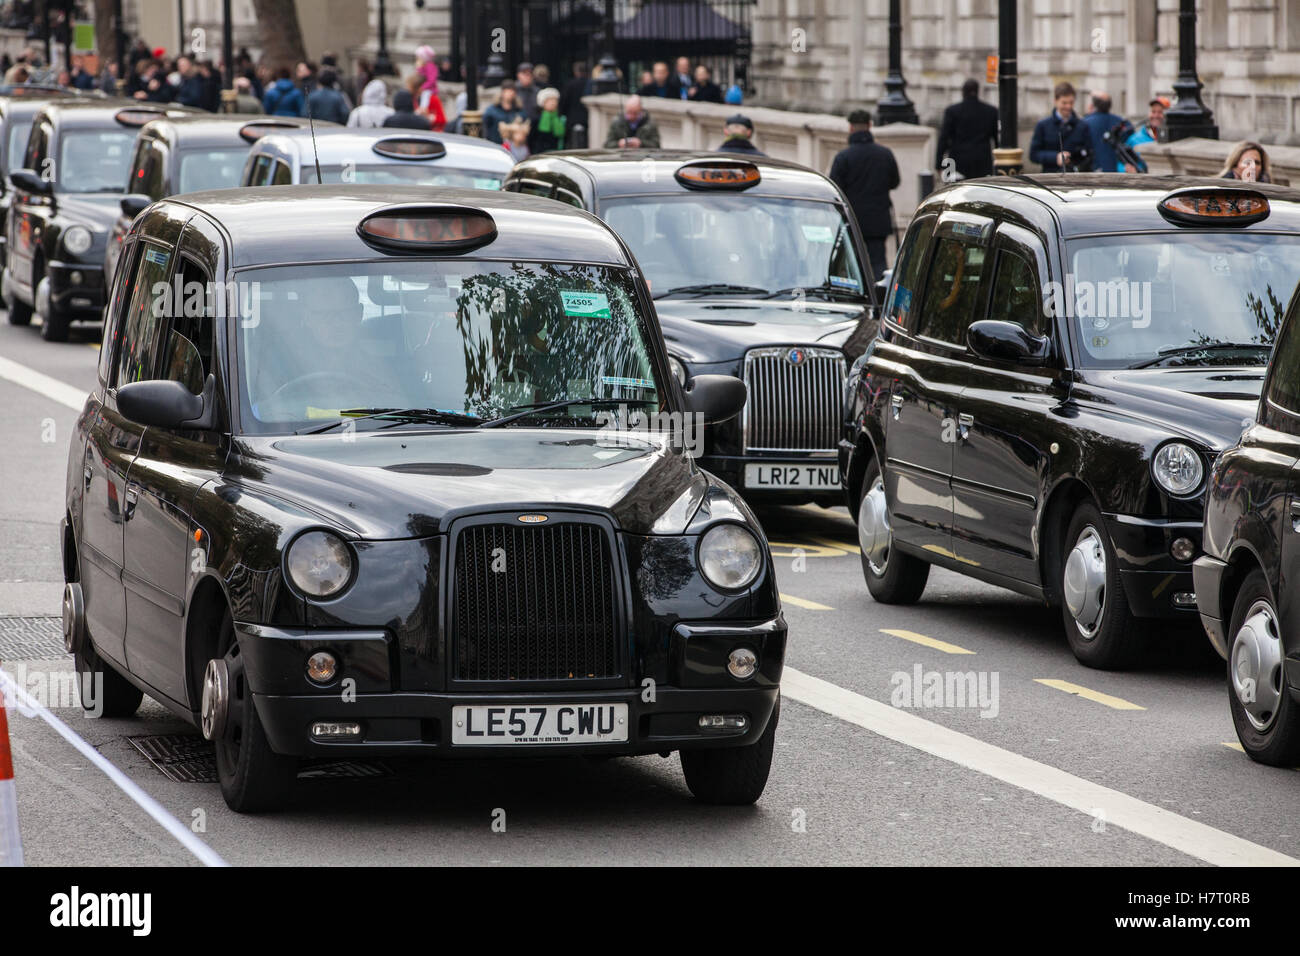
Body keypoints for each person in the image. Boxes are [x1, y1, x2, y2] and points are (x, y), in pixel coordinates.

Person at [829, 109, 899, 284]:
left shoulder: (843, 157)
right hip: (878, 220)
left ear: (851, 128)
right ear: (869, 126)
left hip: (853, 220)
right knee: (878, 264)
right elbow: (895, 182)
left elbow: (834, 189)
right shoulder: (885, 154)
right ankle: (879, 300)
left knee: (854, 263)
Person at [935, 78, 998, 179]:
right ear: (977, 92)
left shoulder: (952, 111)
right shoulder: (991, 111)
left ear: (963, 92)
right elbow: (996, 138)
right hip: (982, 161)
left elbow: (944, 139)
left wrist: (938, 164)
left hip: (958, 162)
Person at [1028, 81, 1092, 172]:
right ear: (1056, 101)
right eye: (1064, 103)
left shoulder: (1083, 126)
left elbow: (1089, 154)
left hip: (1075, 178)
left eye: (1071, 102)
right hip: (1050, 177)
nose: (1068, 106)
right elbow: (1033, 155)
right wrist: (1055, 157)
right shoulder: (1043, 125)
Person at [1080, 91, 1128, 173]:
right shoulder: (1123, 123)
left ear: (1093, 105)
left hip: (1093, 173)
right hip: (1120, 173)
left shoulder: (1084, 124)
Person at [1119, 95, 1169, 172]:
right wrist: (1126, 169)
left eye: (1160, 112)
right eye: (1153, 111)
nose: (1155, 115)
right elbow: (1120, 163)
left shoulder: (1172, 139)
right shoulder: (1135, 139)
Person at [559, 61, 590, 146]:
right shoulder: (590, 84)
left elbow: (563, 102)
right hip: (587, 120)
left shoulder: (570, 85)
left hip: (572, 120)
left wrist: (562, 114)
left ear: (576, 72)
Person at [529, 87, 566, 153]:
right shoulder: (537, 119)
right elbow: (532, 138)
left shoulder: (560, 118)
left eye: (554, 100)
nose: (552, 103)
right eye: (549, 100)